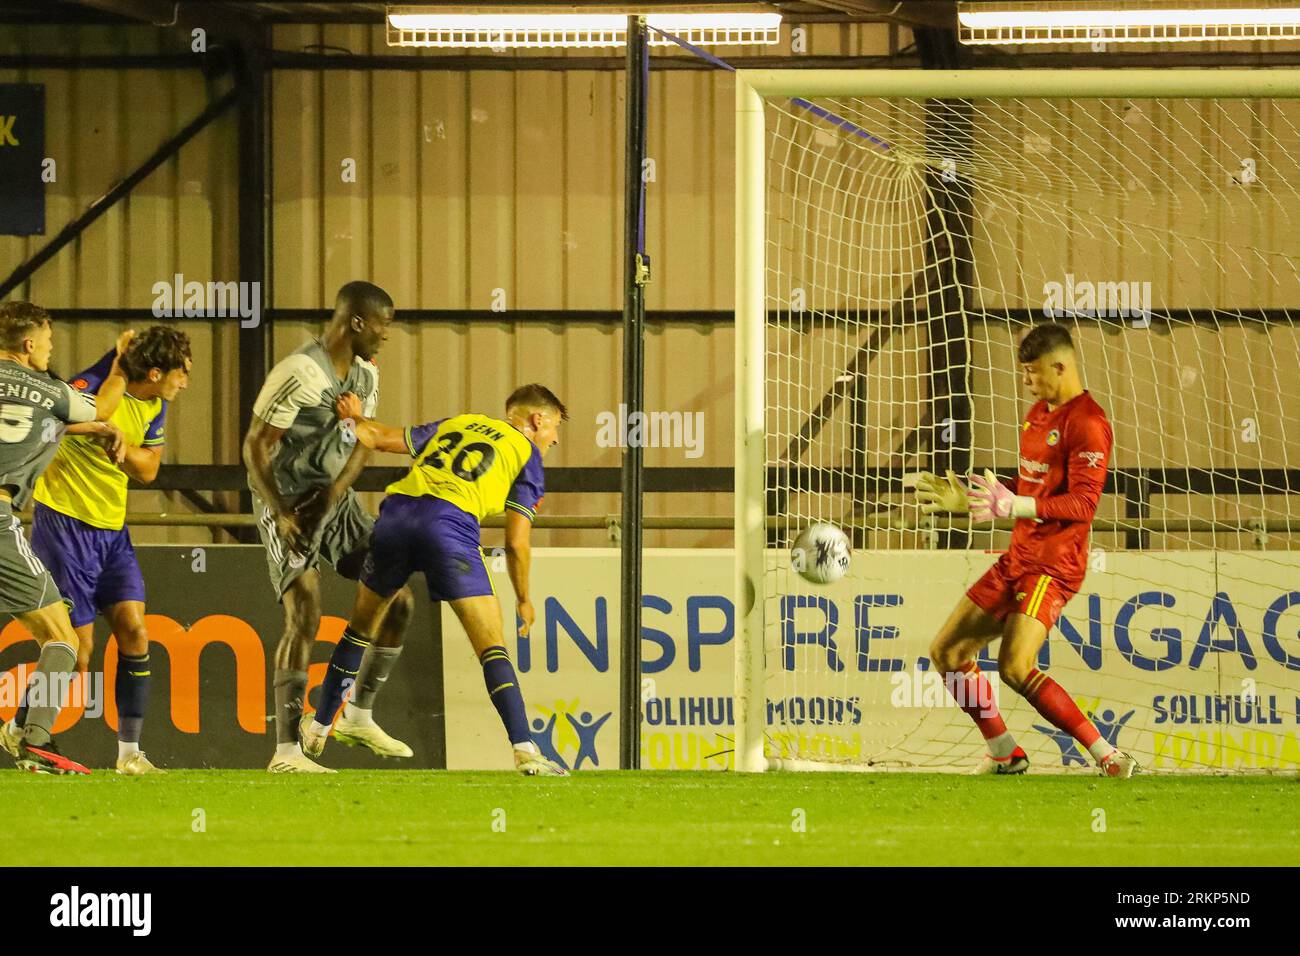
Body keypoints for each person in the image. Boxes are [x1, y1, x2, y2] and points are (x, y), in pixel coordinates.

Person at [300, 384, 569, 776]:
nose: (555, 438)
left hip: (395, 517)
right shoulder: (526, 454)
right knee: (492, 647)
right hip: (449, 526)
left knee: (359, 630)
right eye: (555, 427)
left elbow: (380, 437)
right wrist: (524, 598)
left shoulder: (462, 422)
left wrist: (353, 417)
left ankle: (319, 729)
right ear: (537, 419)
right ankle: (525, 749)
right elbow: (516, 541)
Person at [916, 322, 1138, 777]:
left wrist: (1015, 505)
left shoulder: (1088, 423)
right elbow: (1031, 484)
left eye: (1033, 372)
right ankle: (1004, 753)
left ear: (1060, 367)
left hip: (1053, 566)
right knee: (947, 653)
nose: (1026, 381)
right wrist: (971, 499)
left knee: (1015, 667)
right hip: (1018, 557)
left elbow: (1083, 504)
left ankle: (1107, 755)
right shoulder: (1037, 414)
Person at [1, 326, 190, 775]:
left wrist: (115, 445)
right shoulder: (92, 385)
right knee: (77, 651)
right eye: (181, 373)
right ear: (156, 372)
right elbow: (51, 422)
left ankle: (129, 754)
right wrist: (96, 426)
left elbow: (149, 469)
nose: (185, 383)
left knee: (135, 631)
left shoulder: (155, 404)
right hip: (65, 525)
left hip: (112, 532)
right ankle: (23, 727)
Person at [242, 281, 414, 773]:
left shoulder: (365, 372)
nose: (385, 336)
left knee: (398, 597)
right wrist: (281, 511)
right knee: (305, 614)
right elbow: (255, 445)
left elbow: (364, 439)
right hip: (289, 502)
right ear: (357, 322)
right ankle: (286, 753)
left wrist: (335, 495)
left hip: (334, 501)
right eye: (382, 326)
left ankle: (358, 716)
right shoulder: (300, 372)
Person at [0, 302, 128, 774]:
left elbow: (22, 423)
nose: (51, 349)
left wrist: (83, 428)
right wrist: (119, 365)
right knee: (63, 640)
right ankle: (34, 740)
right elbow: (104, 404)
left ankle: (22, 729)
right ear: (29, 343)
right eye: (49, 341)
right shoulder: (46, 389)